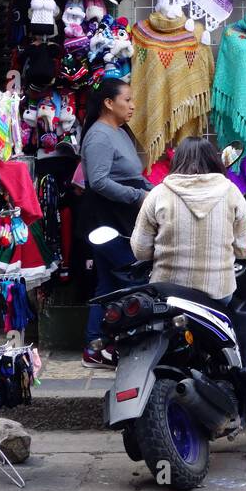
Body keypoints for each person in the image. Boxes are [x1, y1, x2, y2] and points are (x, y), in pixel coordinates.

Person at [80, 78, 152, 366]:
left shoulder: (119, 132)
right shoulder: (99, 135)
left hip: (122, 215)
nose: (133, 105)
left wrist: (152, 189)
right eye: (128, 100)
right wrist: (138, 195)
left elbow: (129, 172)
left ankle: (96, 346)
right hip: (107, 218)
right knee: (129, 277)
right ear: (109, 103)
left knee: (109, 282)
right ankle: (118, 343)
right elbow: (98, 182)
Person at [130, 136, 246, 303]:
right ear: (213, 161)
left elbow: (140, 251)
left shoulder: (158, 194)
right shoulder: (232, 192)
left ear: (177, 162)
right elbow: (245, 249)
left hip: (167, 292)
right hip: (219, 293)